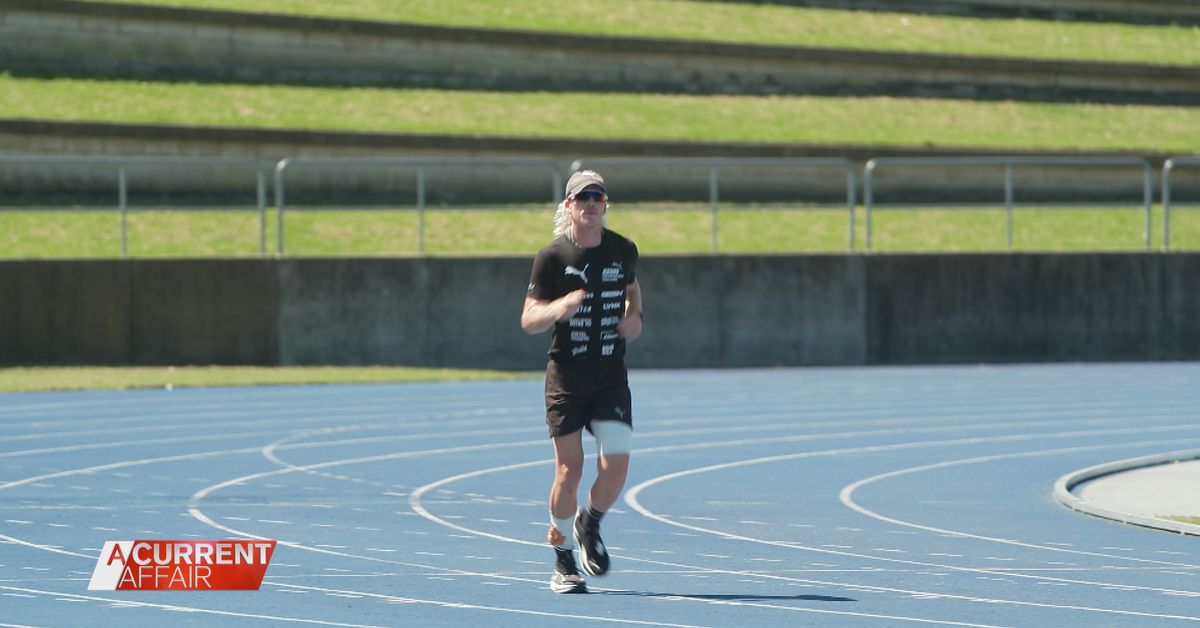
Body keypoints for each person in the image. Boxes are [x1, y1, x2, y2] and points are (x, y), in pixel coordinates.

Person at [520, 170, 643, 594]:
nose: (591, 203)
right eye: (582, 197)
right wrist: (559, 307)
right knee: (569, 472)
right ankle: (563, 561)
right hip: (567, 378)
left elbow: (632, 289)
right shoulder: (552, 257)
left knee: (617, 469)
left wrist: (634, 316)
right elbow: (528, 319)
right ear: (569, 206)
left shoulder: (623, 249)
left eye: (598, 196)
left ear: (604, 204)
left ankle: (589, 521)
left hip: (610, 376)